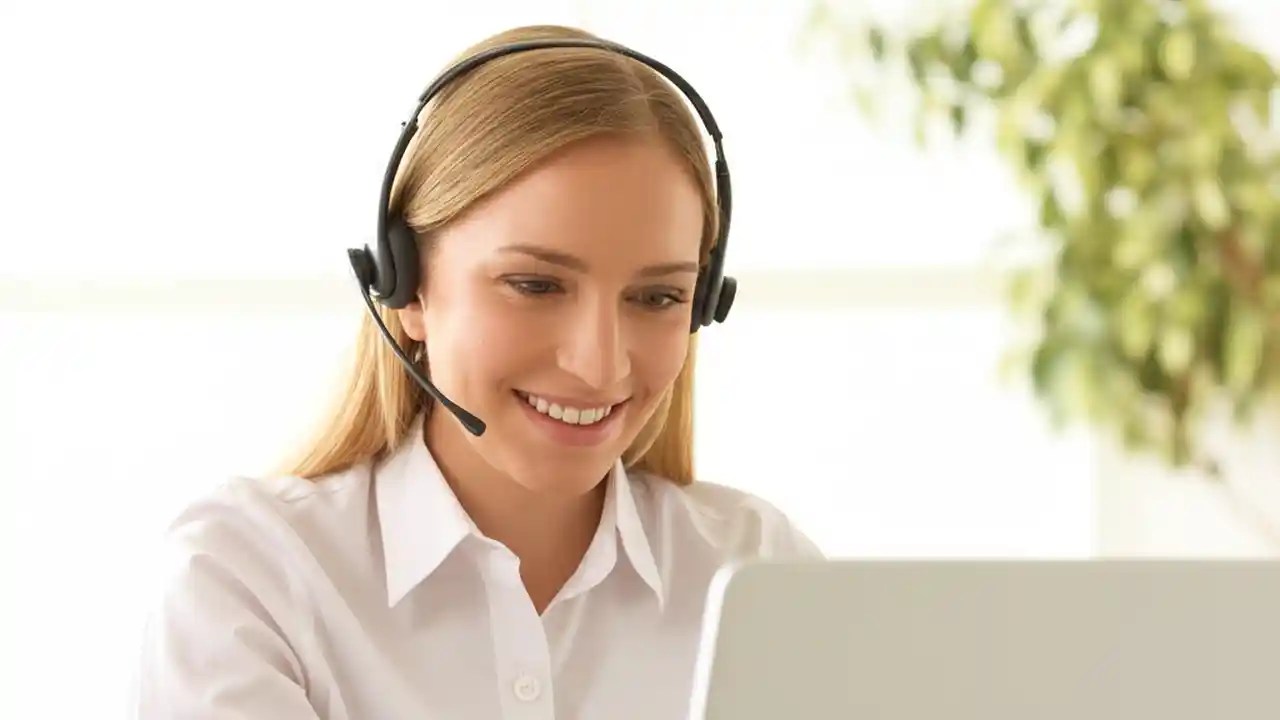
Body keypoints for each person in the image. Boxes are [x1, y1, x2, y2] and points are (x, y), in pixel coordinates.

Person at [133, 24, 822, 720]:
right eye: (535, 285)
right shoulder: (252, 575)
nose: (599, 365)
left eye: (657, 297)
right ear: (407, 289)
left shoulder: (763, 574)